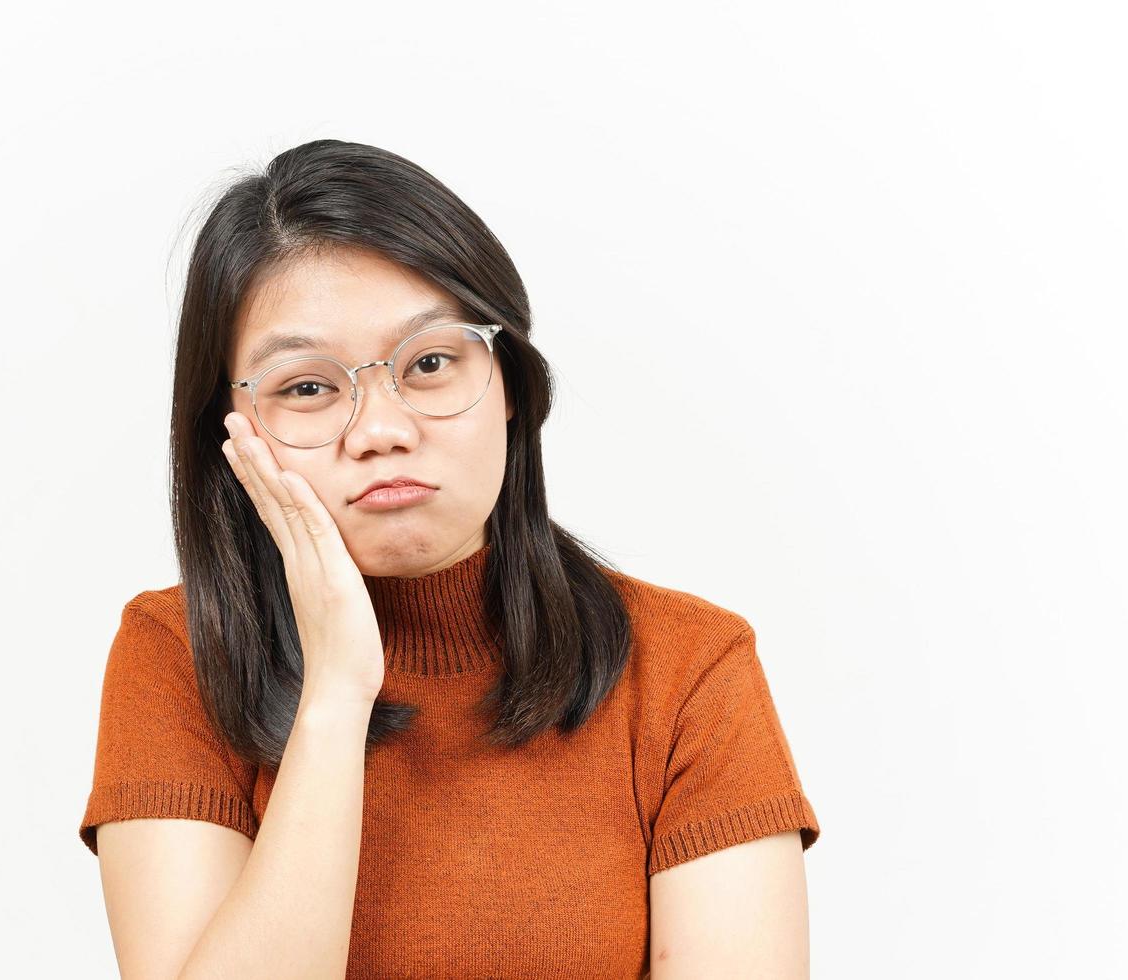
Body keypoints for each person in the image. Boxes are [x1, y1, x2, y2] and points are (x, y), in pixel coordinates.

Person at [77, 139, 822, 979]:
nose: (381, 430)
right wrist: (335, 695)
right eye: (307, 386)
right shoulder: (176, 657)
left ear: (510, 385)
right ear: (231, 427)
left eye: (430, 363)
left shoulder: (689, 668)